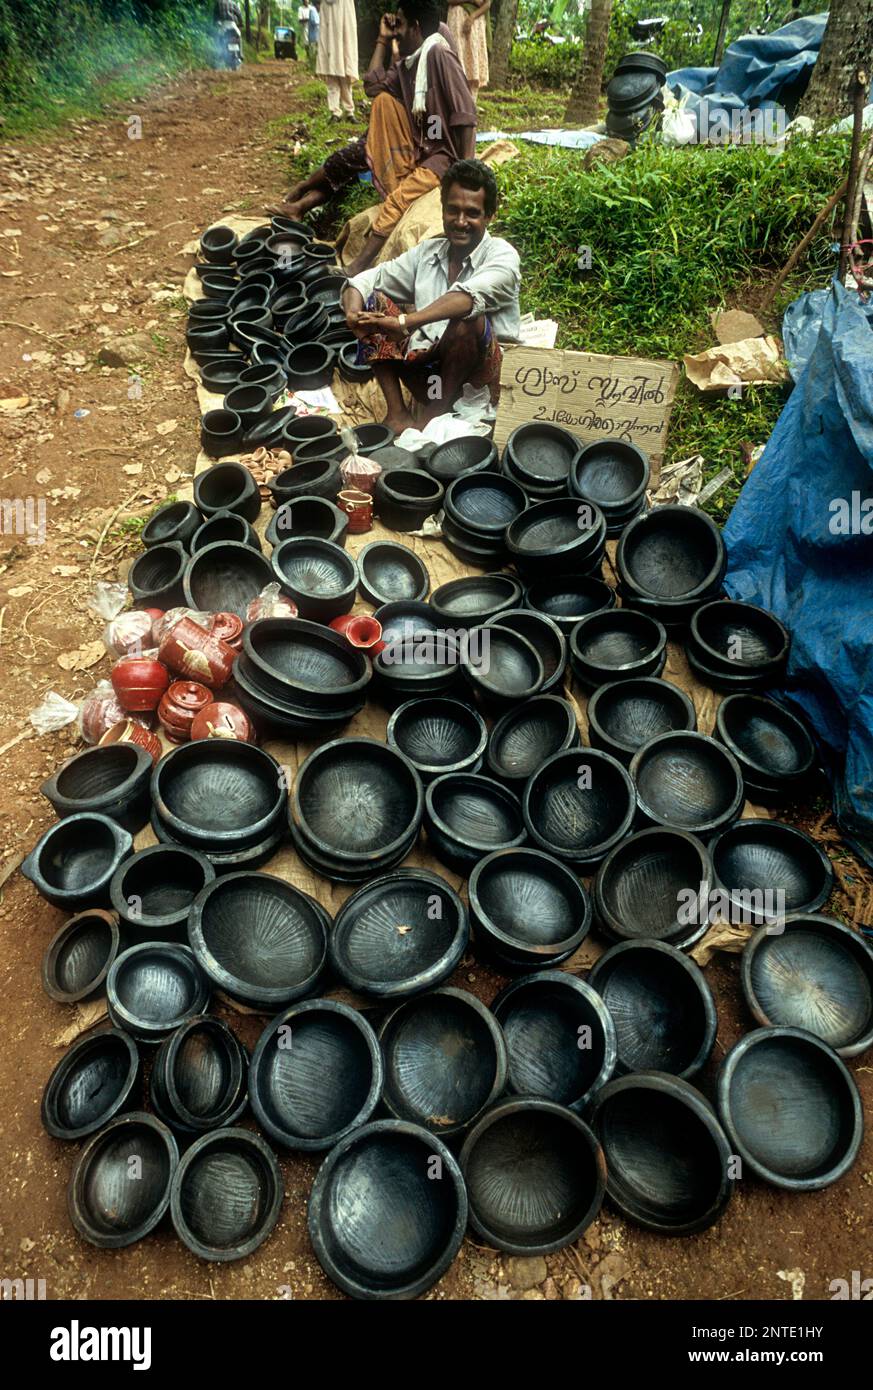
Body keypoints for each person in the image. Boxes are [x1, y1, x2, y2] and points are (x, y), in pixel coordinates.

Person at [270, 2, 476, 271]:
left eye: (400, 25)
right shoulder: (408, 64)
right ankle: (306, 198)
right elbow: (372, 86)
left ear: (415, 27)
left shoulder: (437, 52)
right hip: (421, 145)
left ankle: (358, 266)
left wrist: (468, 174)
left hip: (440, 156)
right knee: (383, 103)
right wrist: (383, 38)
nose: (396, 31)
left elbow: (465, 114)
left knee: (397, 201)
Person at [341, 158, 519, 434]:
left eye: (472, 213)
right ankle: (398, 414)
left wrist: (406, 322)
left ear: (489, 216)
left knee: (468, 319)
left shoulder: (502, 255)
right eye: (453, 211)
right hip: (429, 370)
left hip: (479, 383)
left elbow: (468, 297)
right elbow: (365, 279)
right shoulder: (428, 253)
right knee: (372, 300)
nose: (460, 222)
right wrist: (354, 314)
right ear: (443, 209)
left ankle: (434, 418)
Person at [317, 0, 359, 120]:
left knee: (344, 62)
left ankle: (349, 110)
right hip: (329, 14)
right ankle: (335, 111)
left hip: (344, 13)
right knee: (332, 64)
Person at [445, 0, 490, 103]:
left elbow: (487, 3)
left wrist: (472, 17)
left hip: (476, 23)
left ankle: (470, 108)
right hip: (456, 21)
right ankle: (455, 105)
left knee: (473, 69)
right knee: (456, 62)